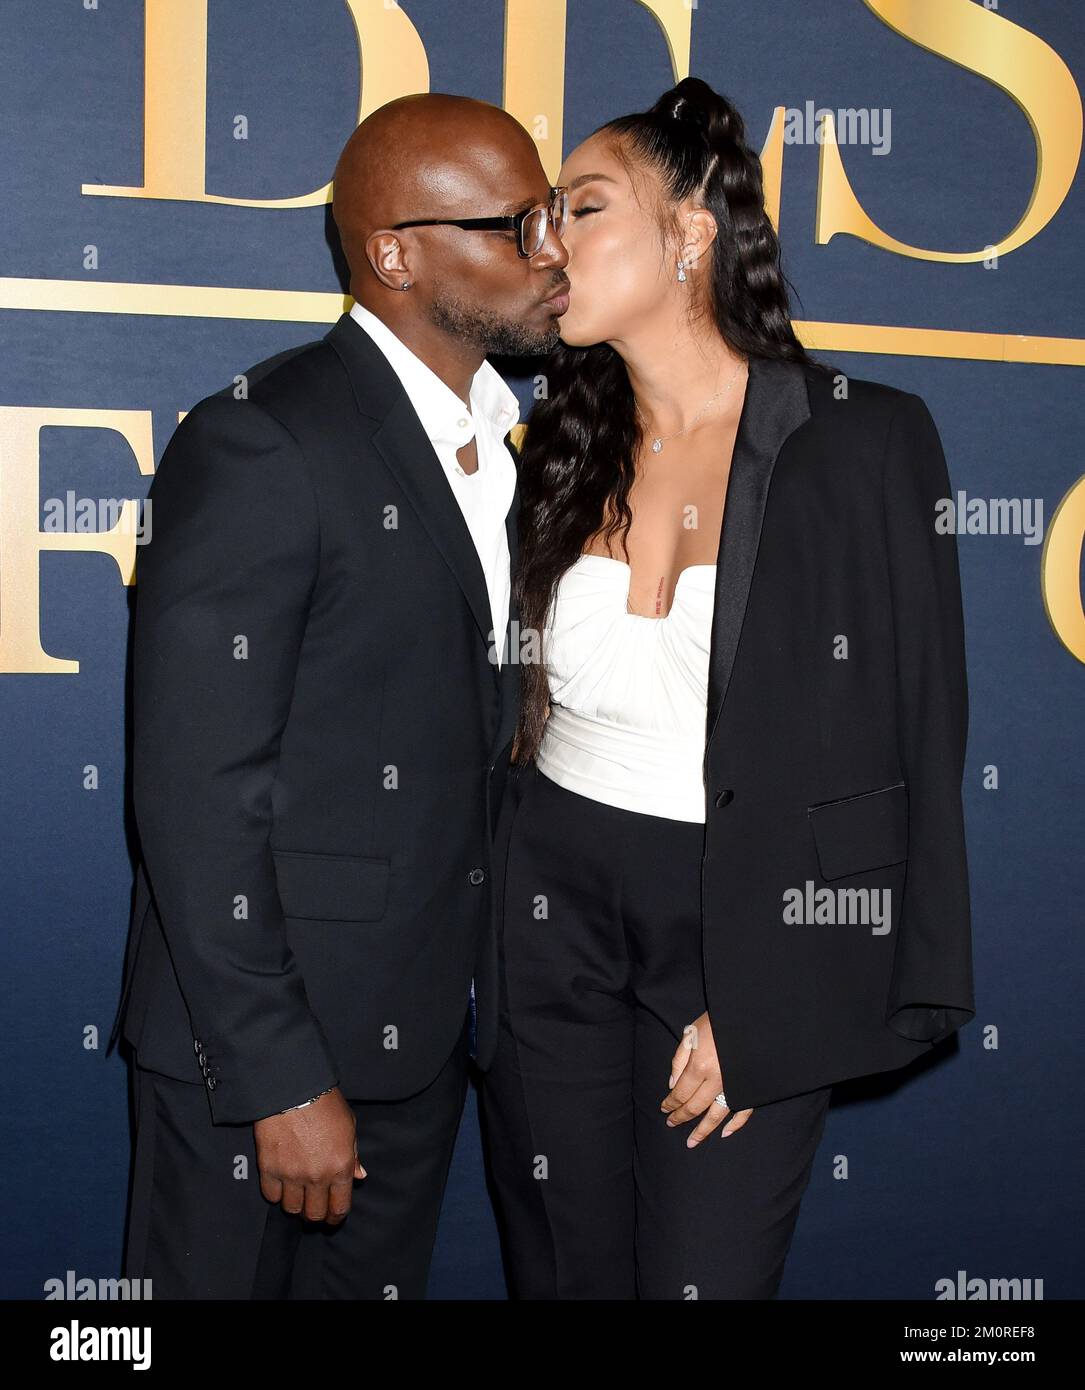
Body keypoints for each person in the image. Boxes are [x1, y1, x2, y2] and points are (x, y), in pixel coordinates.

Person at [476, 77, 975, 1300]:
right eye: (541, 218)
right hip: (549, 923)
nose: (548, 243)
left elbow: (911, 757)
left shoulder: (862, 441)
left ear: (690, 233)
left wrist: (776, 1002)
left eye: (582, 209)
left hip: (741, 929)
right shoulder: (554, 442)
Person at [109, 91, 570, 1299]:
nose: (549, 252)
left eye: (551, 218)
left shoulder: (502, 446)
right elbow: (197, 790)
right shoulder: (265, 441)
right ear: (393, 254)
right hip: (259, 1065)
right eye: (515, 224)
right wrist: (278, 1077)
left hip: (419, 1048)